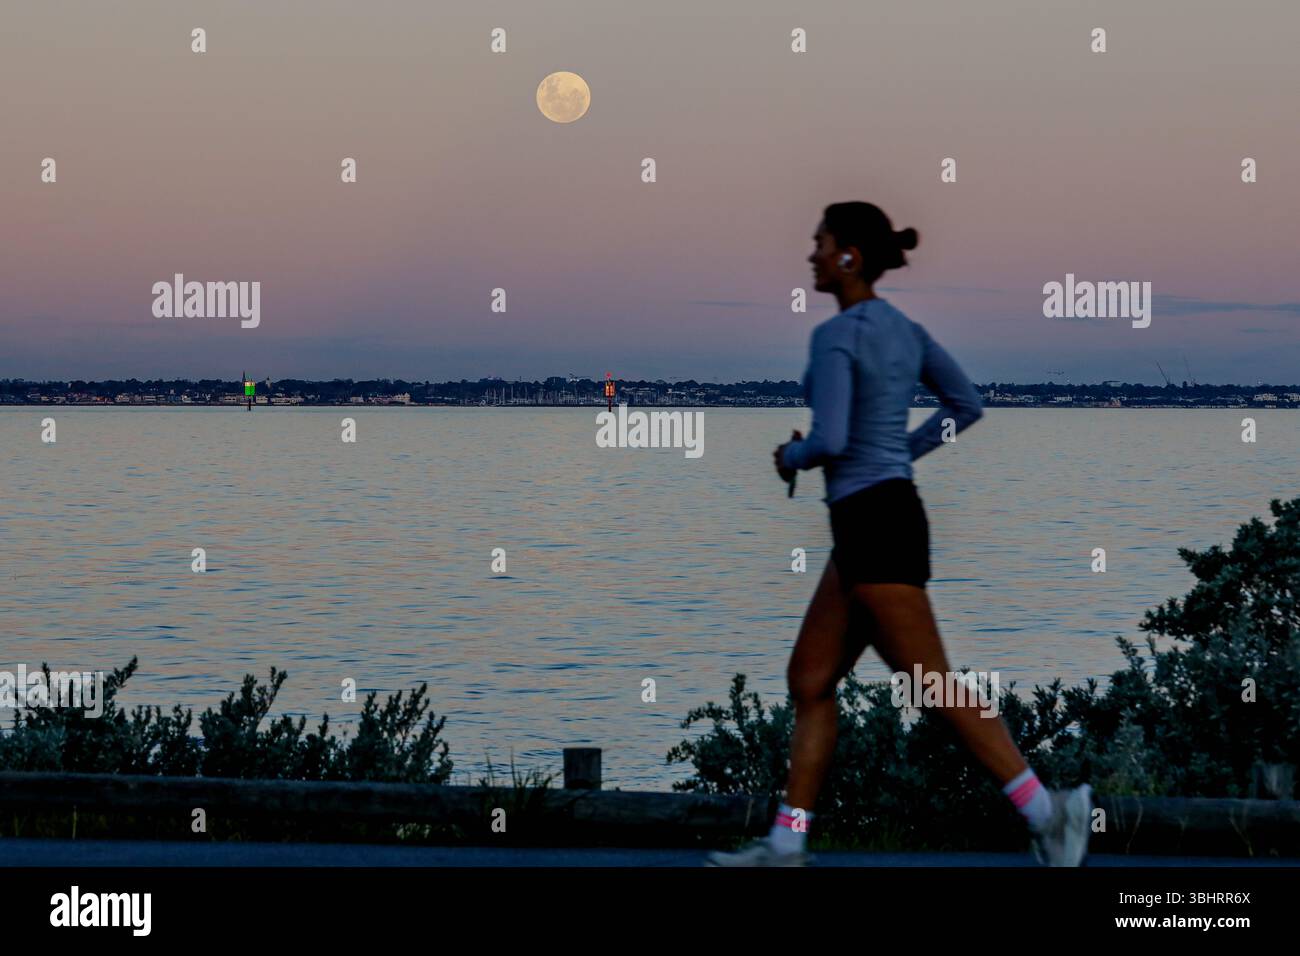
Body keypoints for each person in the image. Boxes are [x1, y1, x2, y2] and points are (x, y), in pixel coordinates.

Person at [707, 201, 1092, 867]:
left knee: (933, 684)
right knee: (810, 678)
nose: (812, 255)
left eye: (820, 243)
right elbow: (966, 406)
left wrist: (789, 458)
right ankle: (787, 841)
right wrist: (899, 455)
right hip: (877, 519)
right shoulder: (907, 331)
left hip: (872, 524)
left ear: (850, 255)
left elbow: (828, 439)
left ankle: (1048, 812)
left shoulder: (836, 336)